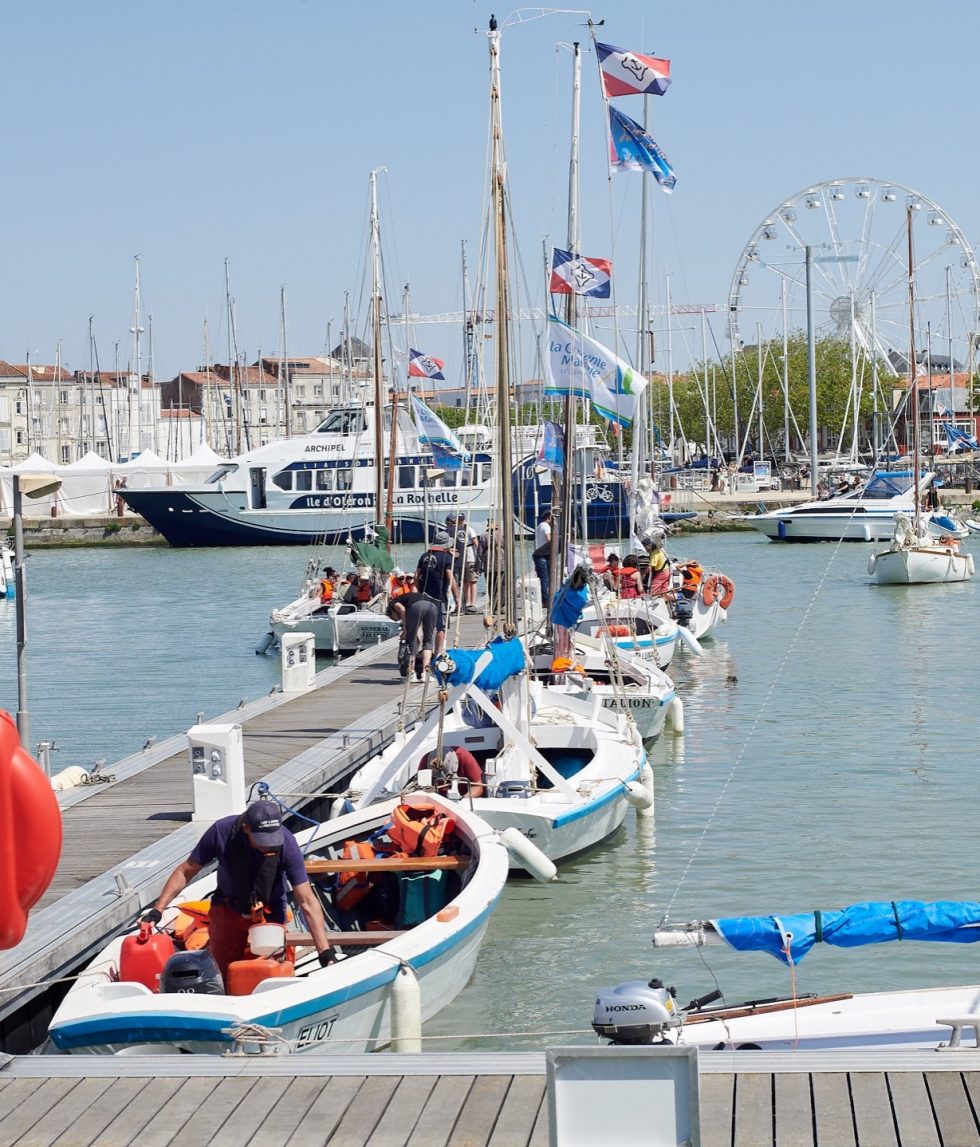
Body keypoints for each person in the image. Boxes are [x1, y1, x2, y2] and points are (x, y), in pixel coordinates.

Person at [140, 800, 334, 982]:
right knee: (221, 974)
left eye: (272, 839)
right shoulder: (220, 832)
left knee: (272, 971)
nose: (268, 845)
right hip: (228, 910)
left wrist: (325, 953)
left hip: (269, 913)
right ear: (246, 828)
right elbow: (185, 871)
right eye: (262, 840)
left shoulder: (286, 843)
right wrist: (158, 910)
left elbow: (307, 901)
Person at [415, 531, 460, 654]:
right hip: (440, 597)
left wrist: (419, 590)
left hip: (424, 596)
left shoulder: (424, 556)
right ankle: (437, 654)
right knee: (441, 627)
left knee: (426, 627)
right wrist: (457, 597)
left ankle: (424, 652)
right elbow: (450, 577)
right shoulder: (446, 557)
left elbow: (416, 576)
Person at [389, 589, 438, 679]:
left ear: (391, 612)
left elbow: (402, 609)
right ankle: (425, 673)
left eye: (396, 618)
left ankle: (412, 673)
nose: (398, 618)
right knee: (428, 640)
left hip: (416, 607)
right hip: (432, 606)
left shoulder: (393, 603)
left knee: (411, 641)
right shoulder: (408, 597)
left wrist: (405, 628)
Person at [419, 747, 485, 798]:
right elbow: (420, 789)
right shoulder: (425, 760)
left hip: (462, 801)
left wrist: (464, 799)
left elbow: (477, 786)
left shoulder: (464, 757)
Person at [448, 513, 480, 613]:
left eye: (461, 520)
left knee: (472, 580)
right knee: (465, 582)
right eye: (458, 520)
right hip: (461, 558)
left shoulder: (469, 529)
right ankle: (466, 602)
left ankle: (472, 603)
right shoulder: (456, 530)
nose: (460, 522)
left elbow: (476, 543)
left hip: (470, 557)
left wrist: (478, 556)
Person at [532, 509, 552, 607]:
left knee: (542, 578)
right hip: (545, 554)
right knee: (545, 579)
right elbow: (548, 538)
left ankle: (543, 599)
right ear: (549, 517)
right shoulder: (546, 526)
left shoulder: (539, 526)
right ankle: (546, 600)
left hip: (539, 553)